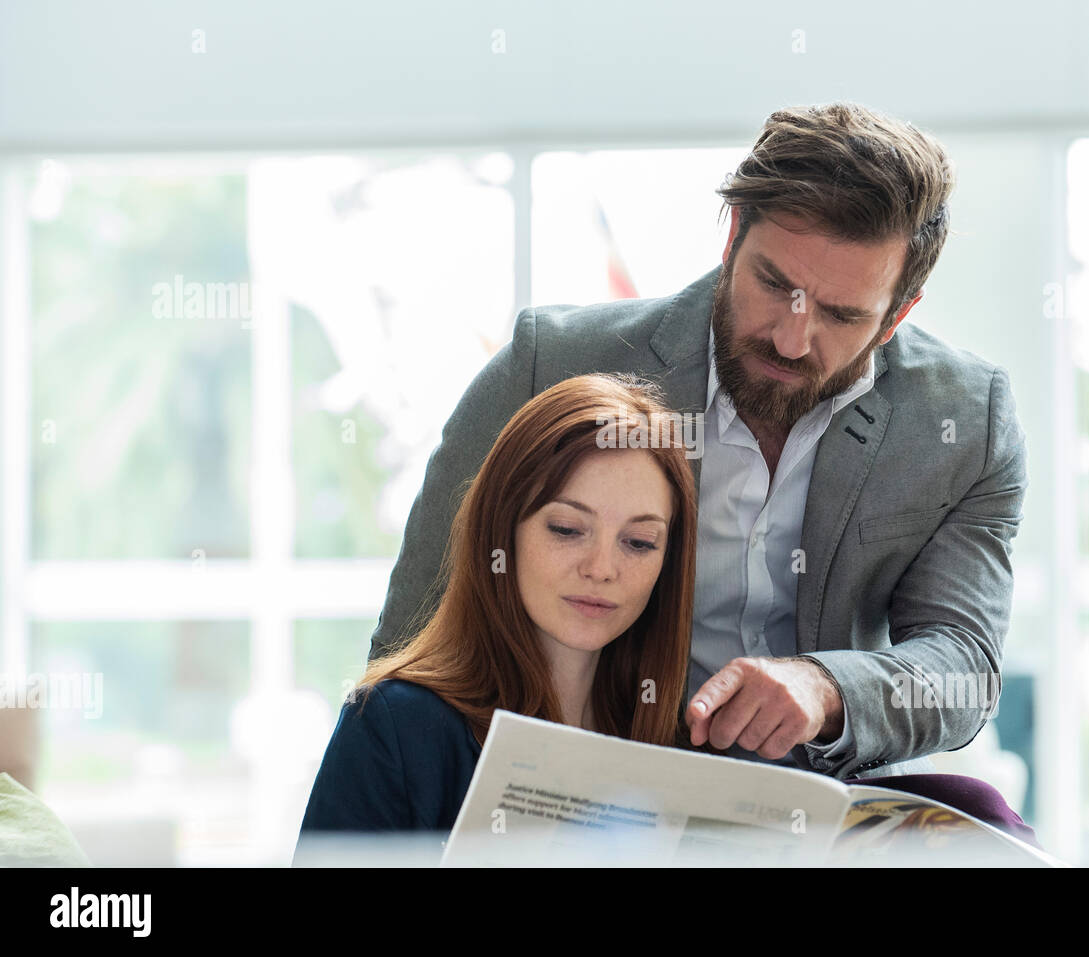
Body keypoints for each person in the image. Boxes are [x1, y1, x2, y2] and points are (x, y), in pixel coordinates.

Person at [368, 102, 1036, 842]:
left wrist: (824, 686)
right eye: (774, 283)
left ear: (898, 313)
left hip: (818, 810)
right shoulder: (547, 366)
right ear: (732, 236)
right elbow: (414, 637)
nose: (791, 335)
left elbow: (962, 666)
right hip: (575, 798)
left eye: (841, 316)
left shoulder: (966, 421)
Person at [295, 374, 698, 843]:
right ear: (502, 530)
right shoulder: (393, 729)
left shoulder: (672, 745)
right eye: (567, 529)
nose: (602, 568)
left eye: (638, 542)